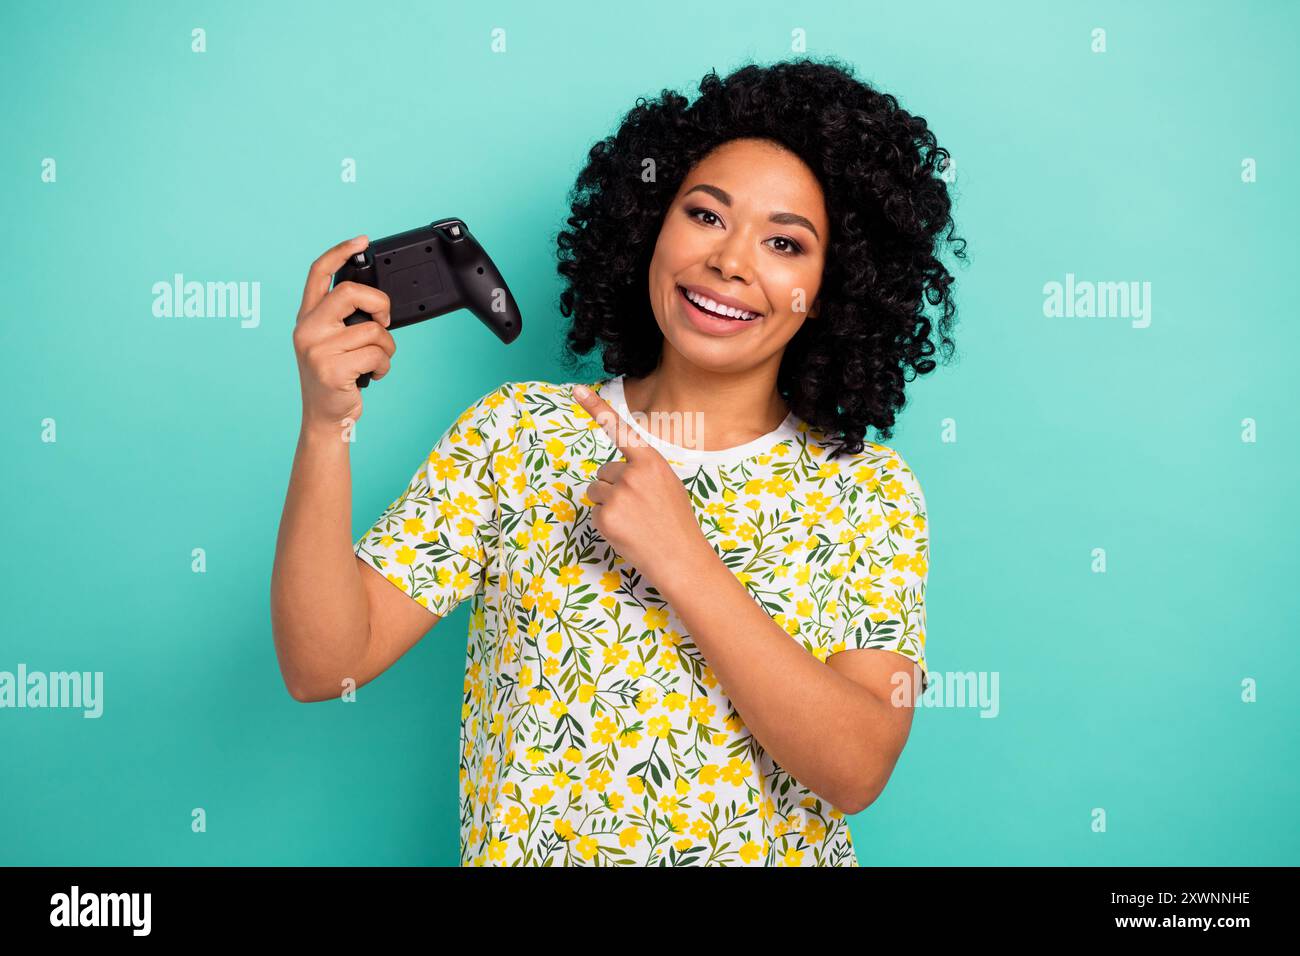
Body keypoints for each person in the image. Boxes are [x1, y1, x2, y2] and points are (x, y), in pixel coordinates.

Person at [271, 56, 964, 867]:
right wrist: (326, 426)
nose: (731, 261)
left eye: (784, 242)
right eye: (706, 216)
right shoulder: (517, 434)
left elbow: (857, 766)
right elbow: (324, 665)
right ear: (649, 226)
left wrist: (682, 556)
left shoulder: (866, 492)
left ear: (834, 285)